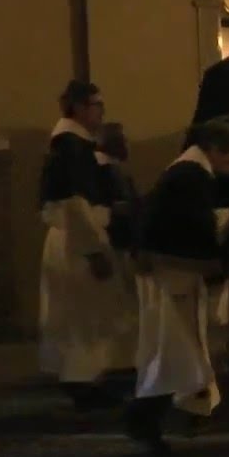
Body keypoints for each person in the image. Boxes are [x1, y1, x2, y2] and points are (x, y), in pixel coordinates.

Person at [127, 119, 229, 455]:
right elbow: (193, 228)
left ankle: (171, 413)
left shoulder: (185, 172)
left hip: (166, 273)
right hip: (173, 276)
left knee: (175, 352)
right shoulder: (194, 177)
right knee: (174, 353)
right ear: (214, 149)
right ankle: (144, 417)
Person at [38, 79, 128, 411]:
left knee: (81, 313)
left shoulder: (72, 145)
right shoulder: (72, 147)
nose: (102, 112)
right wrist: (93, 251)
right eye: (97, 105)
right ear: (78, 107)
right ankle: (82, 382)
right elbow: (75, 202)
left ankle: (85, 379)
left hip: (76, 235)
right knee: (83, 315)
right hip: (78, 238)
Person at [94, 122, 143, 373]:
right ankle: (119, 363)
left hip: (119, 243)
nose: (128, 144)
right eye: (123, 139)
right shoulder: (105, 170)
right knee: (120, 305)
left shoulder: (111, 169)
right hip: (116, 244)